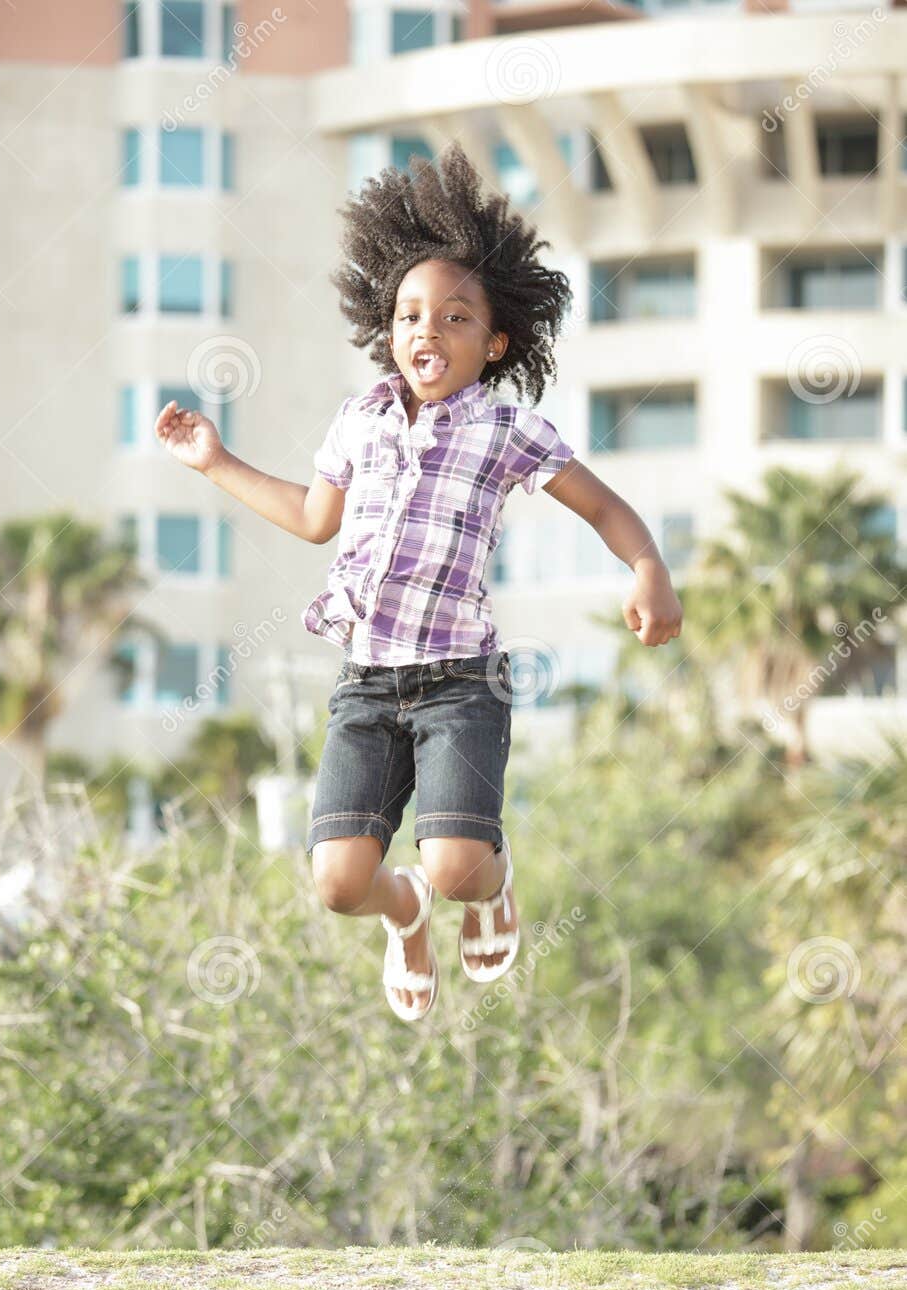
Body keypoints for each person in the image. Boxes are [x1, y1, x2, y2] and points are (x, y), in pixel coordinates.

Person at [155, 144, 682, 1025]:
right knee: (337, 883)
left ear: (495, 338)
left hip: (459, 688)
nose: (425, 332)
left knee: (458, 868)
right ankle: (406, 915)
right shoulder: (360, 417)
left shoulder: (507, 426)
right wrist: (214, 461)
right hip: (366, 687)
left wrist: (649, 567)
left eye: (453, 318)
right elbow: (314, 518)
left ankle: (491, 882)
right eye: (408, 316)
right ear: (385, 328)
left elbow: (604, 507)